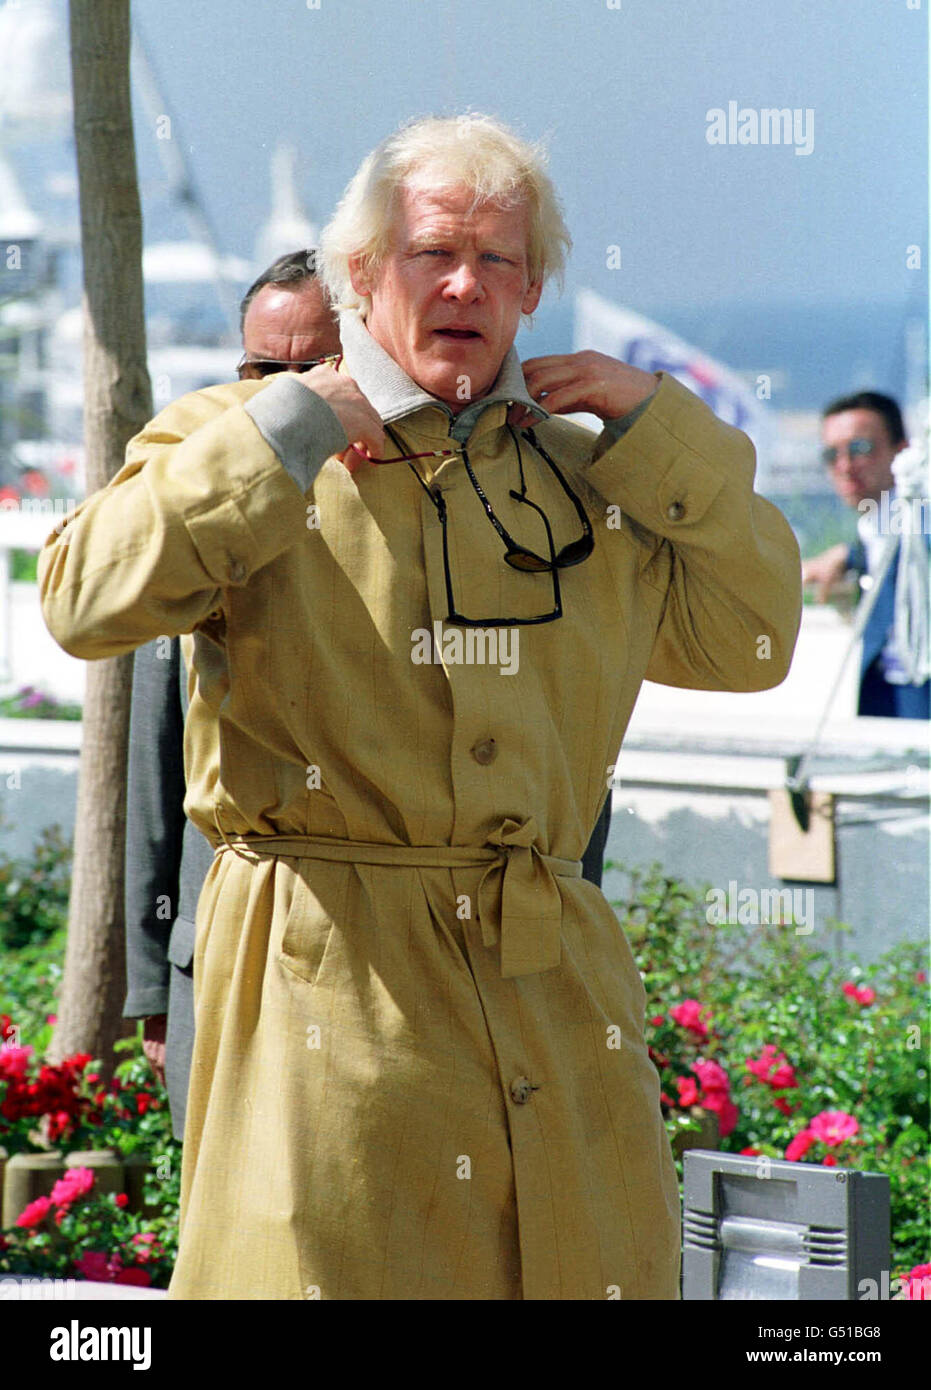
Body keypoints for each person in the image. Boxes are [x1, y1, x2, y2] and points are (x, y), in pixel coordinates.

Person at [39, 114, 801, 1300]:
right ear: (357, 274)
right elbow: (84, 599)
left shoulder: (588, 476)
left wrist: (664, 431)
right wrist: (292, 424)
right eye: (430, 253)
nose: (464, 284)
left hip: (553, 1004)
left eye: (498, 260)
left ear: (535, 285)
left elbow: (752, 641)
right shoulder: (239, 438)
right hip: (329, 1001)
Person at [123, 251, 343, 1142]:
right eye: (262, 372)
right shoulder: (201, 533)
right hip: (210, 966)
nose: (282, 395)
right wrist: (152, 988)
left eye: (313, 370)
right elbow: (152, 783)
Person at [802, 390, 929, 717]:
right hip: (889, 710)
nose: (844, 466)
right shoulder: (872, 533)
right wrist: (849, 555)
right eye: (831, 455)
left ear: (902, 452)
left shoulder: (919, 530)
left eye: (860, 449)